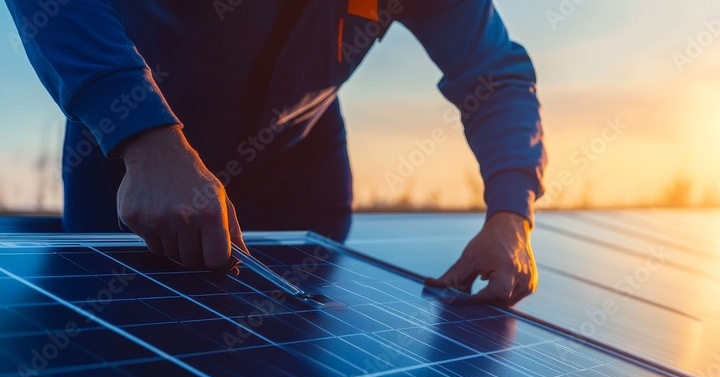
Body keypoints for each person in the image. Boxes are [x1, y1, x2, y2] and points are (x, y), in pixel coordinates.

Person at [5, 0, 546, 305]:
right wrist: (142, 136)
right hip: (133, 171)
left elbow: (496, 77)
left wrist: (511, 215)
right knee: (112, 368)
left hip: (297, 191)